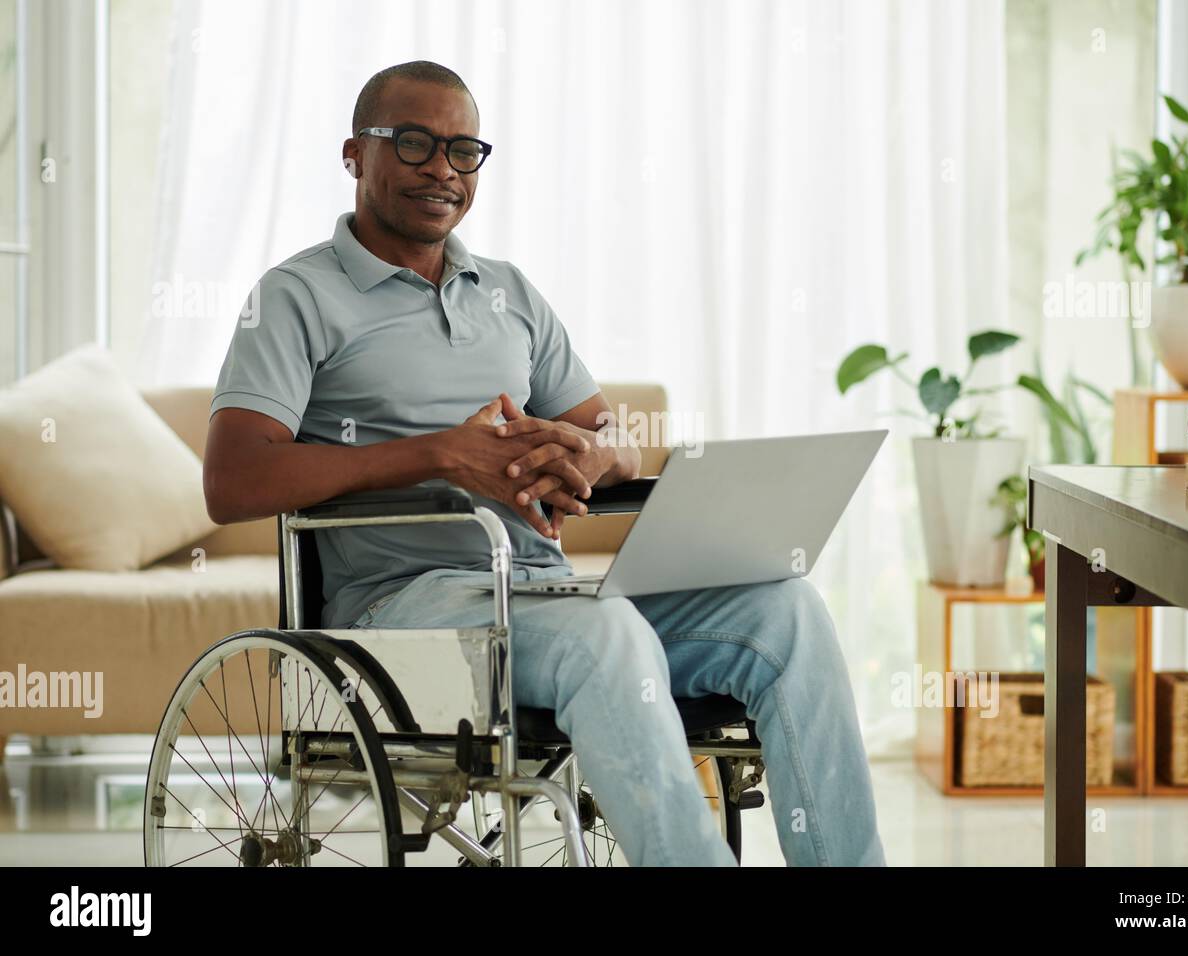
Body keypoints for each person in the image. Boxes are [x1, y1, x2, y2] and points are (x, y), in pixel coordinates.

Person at [205, 60, 884, 866]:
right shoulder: (295, 297)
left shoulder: (508, 292)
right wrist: (443, 456)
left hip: (543, 592)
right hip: (401, 611)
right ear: (355, 154)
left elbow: (613, 433)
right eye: (415, 142)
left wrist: (591, 454)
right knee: (607, 632)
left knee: (785, 612)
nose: (442, 170)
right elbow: (234, 480)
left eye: (464, 150)